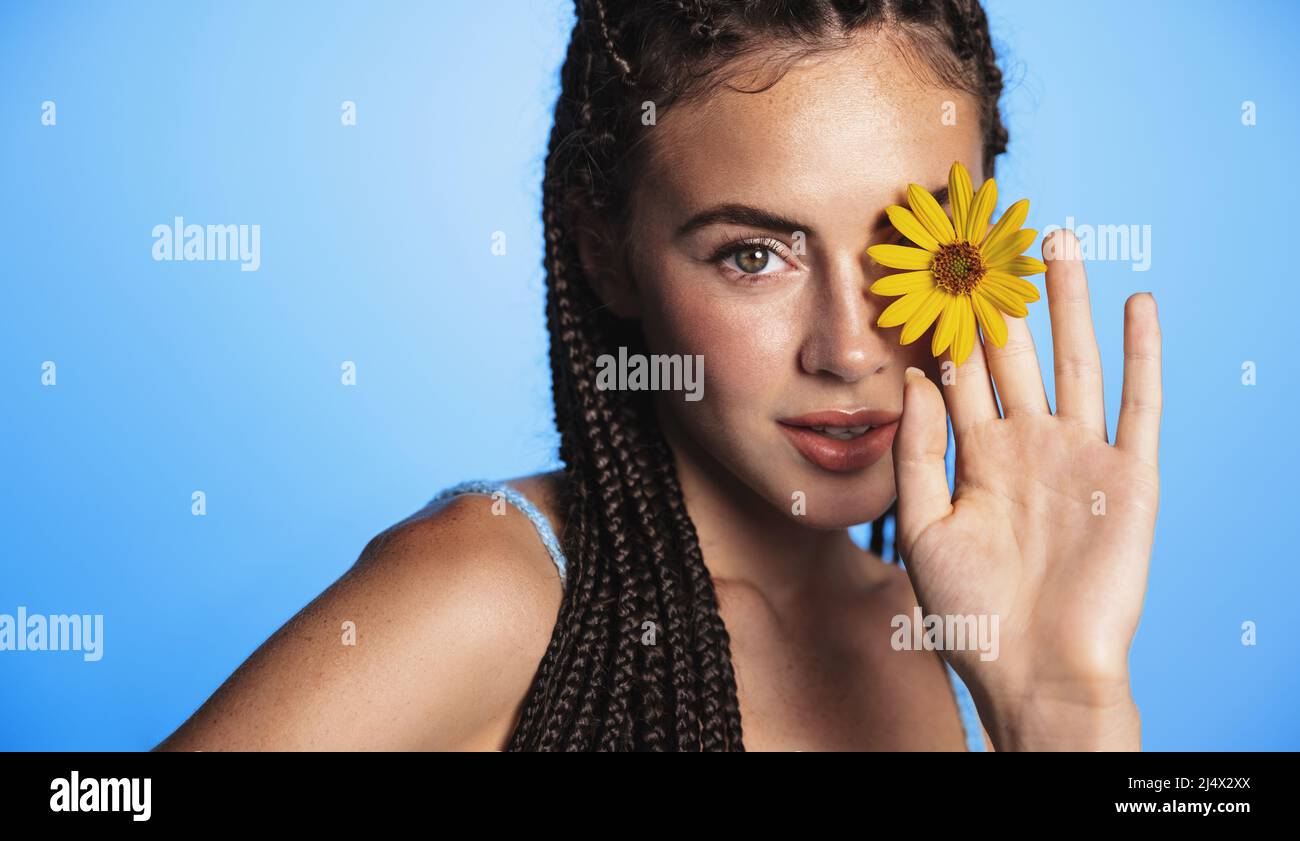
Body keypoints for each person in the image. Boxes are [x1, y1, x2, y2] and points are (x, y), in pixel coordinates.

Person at [156, 0, 1161, 751]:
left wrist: (1065, 708)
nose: (850, 349)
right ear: (607, 255)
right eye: (753, 256)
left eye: (912, 249)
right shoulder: (494, 590)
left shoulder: (931, 617)